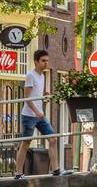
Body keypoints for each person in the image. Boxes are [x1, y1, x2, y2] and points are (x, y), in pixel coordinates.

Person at [14, 49, 62, 179]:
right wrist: (36, 112)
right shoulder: (31, 75)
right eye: (43, 61)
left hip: (40, 115)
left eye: (47, 61)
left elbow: (37, 93)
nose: (46, 63)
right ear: (36, 62)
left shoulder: (42, 76)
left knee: (53, 139)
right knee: (26, 143)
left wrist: (44, 94)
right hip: (29, 115)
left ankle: (56, 169)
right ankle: (18, 173)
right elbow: (27, 98)